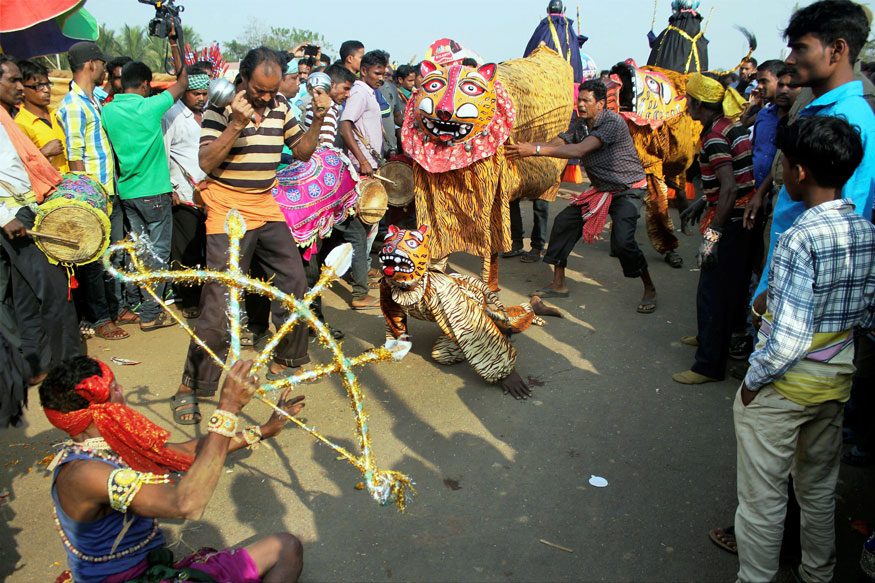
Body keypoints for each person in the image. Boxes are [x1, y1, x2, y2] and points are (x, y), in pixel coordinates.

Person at [734, 115, 875, 583]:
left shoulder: (800, 236)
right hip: (833, 386)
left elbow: (789, 338)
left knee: (763, 501)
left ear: (799, 173)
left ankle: (754, 578)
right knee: (817, 492)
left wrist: (753, 383)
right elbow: (867, 315)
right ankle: (819, 574)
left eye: (784, 165)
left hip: (785, 388)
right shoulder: (865, 232)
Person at [173, 46, 332, 424]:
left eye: (272, 90)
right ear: (243, 78)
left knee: (294, 283)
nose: (266, 97)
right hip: (227, 206)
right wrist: (235, 125)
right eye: (260, 90)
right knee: (219, 300)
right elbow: (206, 162)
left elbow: (304, 152)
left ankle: (285, 361)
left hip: (265, 204)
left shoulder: (280, 105)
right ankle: (190, 386)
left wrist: (317, 120)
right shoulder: (220, 106)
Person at [40, 356, 306, 582]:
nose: (122, 389)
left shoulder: (108, 444)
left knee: (286, 548)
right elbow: (186, 504)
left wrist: (261, 431)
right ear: (101, 410)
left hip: (142, 568)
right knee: (286, 548)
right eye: (115, 387)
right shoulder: (84, 474)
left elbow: (187, 453)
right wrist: (228, 407)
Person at [744, 0, 875, 338]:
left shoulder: (851, 119)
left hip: (804, 301)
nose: (792, 59)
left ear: (837, 50)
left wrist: (780, 296)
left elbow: (846, 227)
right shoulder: (818, 108)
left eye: (801, 48)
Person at [506, 79, 657, 313]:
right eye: (580, 100)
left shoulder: (612, 122)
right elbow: (563, 141)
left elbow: (579, 150)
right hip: (601, 189)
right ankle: (559, 284)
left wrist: (534, 150)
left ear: (601, 104)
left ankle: (649, 287)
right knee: (564, 223)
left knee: (623, 241)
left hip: (627, 189)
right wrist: (526, 148)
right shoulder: (582, 123)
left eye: (586, 100)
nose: (581, 105)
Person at [0, 55, 81, 385]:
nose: (20, 87)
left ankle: (37, 364)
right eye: (13, 81)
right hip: (13, 216)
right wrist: (4, 216)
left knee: (27, 297)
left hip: (24, 209)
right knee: (55, 290)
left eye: (21, 80)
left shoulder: (6, 119)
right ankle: (69, 370)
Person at [101, 27, 188, 332]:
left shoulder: (108, 111)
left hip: (127, 193)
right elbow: (183, 81)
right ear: (146, 84)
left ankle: (138, 303)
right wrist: (174, 43)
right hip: (155, 192)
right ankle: (151, 313)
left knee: (139, 251)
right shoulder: (151, 107)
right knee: (159, 253)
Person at [673, 73, 754, 385]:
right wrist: (702, 203)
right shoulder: (728, 127)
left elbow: (730, 187)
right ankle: (710, 337)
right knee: (725, 288)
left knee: (713, 290)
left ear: (697, 103)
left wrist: (713, 234)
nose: (687, 106)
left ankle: (707, 365)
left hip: (731, 220)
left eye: (689, 101)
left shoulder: (715, 137)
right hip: (738, 215)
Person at [57, 41, 133, 340]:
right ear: (91, 65)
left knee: (111, 257)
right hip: (92, 197)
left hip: (108, 191)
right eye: (102, 64)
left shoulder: (93, 100)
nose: (104, 68)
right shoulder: (73, 106)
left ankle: (116, 311)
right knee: (93, 261)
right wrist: (84, 201)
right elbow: (75, 155)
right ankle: (101, 319)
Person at [337, 49, 387, 310]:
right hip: (360, 171)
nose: (382, 77)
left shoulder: (368, 92)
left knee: (369, 227)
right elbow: (345, 125)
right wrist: (363, 160)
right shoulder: (359, 91)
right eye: (377, 72)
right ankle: (359, 289)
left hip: (367, 169)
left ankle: (360, 273)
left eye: (384, 72)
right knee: (361, 228)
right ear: (364, 70)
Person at [162, 66, 209, 320]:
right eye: (195, 93)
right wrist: (170, 187)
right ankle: (189, 299)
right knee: (186, 251)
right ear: (184, 92)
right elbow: (164, 151)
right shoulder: (172, 115)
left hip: (209, 194)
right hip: (184, 193)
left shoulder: (209, 114)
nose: (201, 98)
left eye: (204, 93)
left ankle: (207, 296)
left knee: (208, 249)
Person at [14, 60, 68, 172]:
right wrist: (43, 153)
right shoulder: (20, 124)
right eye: (38, 86)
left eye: (47, 84)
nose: (46, 90)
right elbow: (19, 167)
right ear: (22, 89)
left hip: (71, 183)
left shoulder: (57, 114)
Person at [524, 0, 586, 83]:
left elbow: (531, 50)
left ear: (547, 10)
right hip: (568, 78)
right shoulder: (568, 27)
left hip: (545, 78)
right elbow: (573, 50)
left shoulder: (542, 28)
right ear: (564, 10)